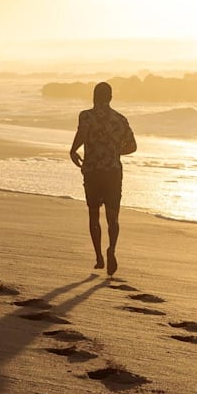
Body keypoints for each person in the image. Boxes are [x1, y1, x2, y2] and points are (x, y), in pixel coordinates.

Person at [69, 81, 136, 275]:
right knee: (113, 217)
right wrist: (114, 152)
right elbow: (132, 146)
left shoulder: (86, 116)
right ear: (111, 98)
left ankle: (98, 256)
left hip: (92, 171)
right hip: (113, 172)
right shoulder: (120, 119)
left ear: (94, 96)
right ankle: (112, 249)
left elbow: (82, 135)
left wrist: (73, 150)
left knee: (93, 215)